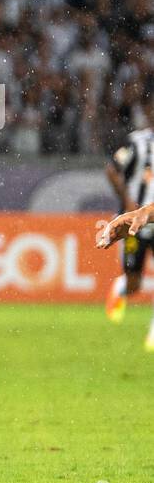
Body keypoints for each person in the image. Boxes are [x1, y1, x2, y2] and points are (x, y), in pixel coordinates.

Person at [102, 121, 154, 331]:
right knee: (134, 283)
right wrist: (127, 201)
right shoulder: (137, 142)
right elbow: (112, 169)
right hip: (135, 222)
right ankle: (121, 288)